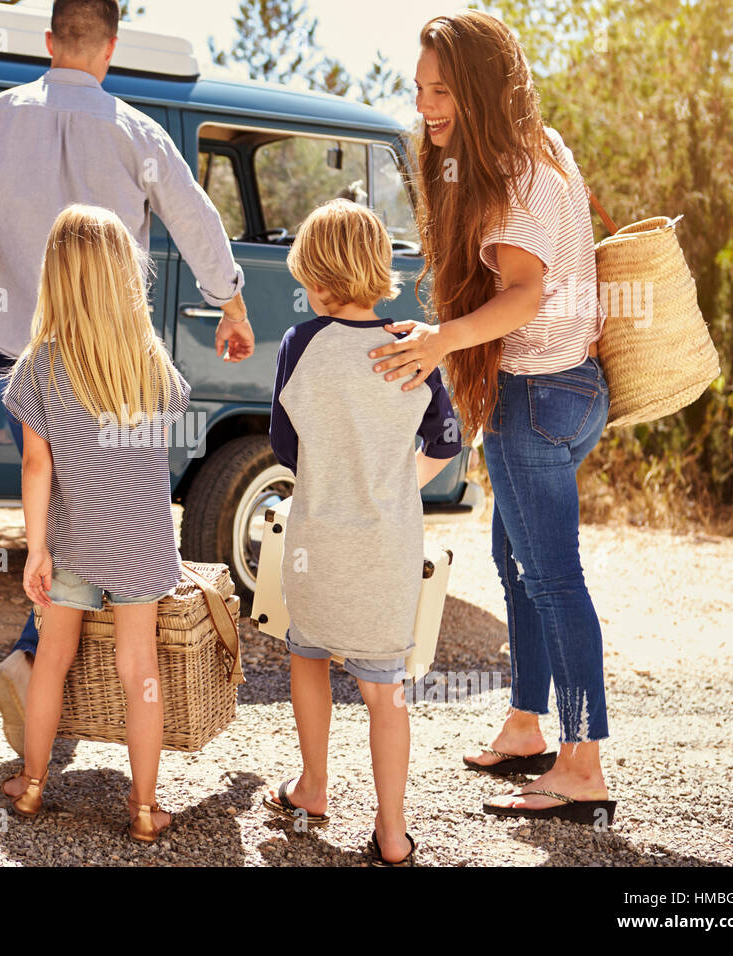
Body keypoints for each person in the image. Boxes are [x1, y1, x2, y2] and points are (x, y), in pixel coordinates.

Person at [0, 0, 252, 757]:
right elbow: (197, 220)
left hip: (25, 356)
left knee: (58, 493)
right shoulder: (135, 129)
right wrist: (232, 306)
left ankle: (42, 665)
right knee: (105, 503)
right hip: (116, 362)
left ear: (49, 41)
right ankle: (43, 661)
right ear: (109, 48)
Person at [369, 11, 616, 826]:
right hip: (575, 390)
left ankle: (582, 762)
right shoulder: (547, 153)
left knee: (551, 578)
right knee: (519, 564)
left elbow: (524, 293)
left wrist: (440, 340)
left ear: (477, 89)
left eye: (441, 90)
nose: (426, 105)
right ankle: (525, 723)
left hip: (534, 396)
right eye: (419, 89)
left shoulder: (511, 177)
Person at [262, 199, 461, 865]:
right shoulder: (412, 345)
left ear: (316, 280)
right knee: (385, 689)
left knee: (309, 655)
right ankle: (394, 831)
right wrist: (396, 474)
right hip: (388, 546)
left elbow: (285, 448)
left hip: (319, 541)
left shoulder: (300, 346)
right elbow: (449, 440)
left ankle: (313, 787)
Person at [0, 205, 190, 843]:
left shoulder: (40, 365)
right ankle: (143, 807)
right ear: (123, 276)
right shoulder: (149, 360)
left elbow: (35, 465)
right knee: (141, 669)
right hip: (142, 541)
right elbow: (163, 434)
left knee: (52, 659)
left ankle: (30, 786)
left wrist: (35, 551)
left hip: (74, 537)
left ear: (56, 276)